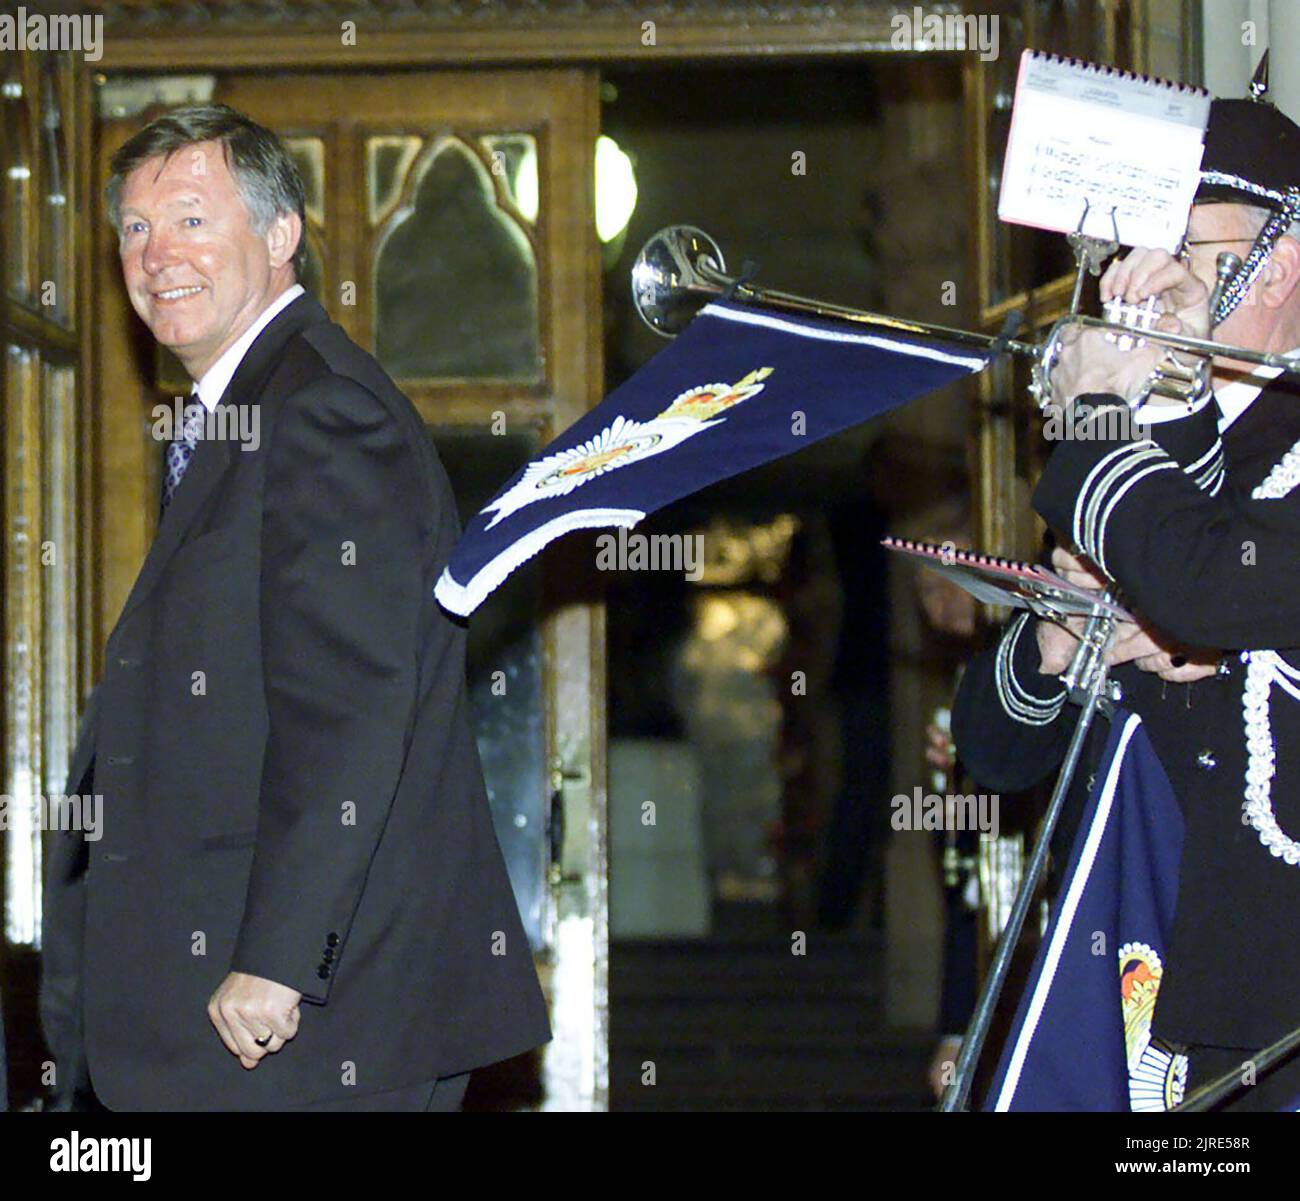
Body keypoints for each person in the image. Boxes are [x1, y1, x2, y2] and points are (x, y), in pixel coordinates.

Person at [39, 104, 551, 1112]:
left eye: (191, 219)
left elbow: (351, 708)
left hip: (309, 1029)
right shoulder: (245, 413)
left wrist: (279, 959)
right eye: (135, 228)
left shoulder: (322, 408)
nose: (155, 255)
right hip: (231, 1029)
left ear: (281, 236)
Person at [953, 94, 1300, 1111]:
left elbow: (1207, 583)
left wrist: (1100, 414)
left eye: (1183, 250)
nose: (1148, 281)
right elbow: (993, 750)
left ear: (1277, 265)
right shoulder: (1151, 464)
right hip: (1153, 968)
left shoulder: (1147, 470)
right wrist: (1055, 643)